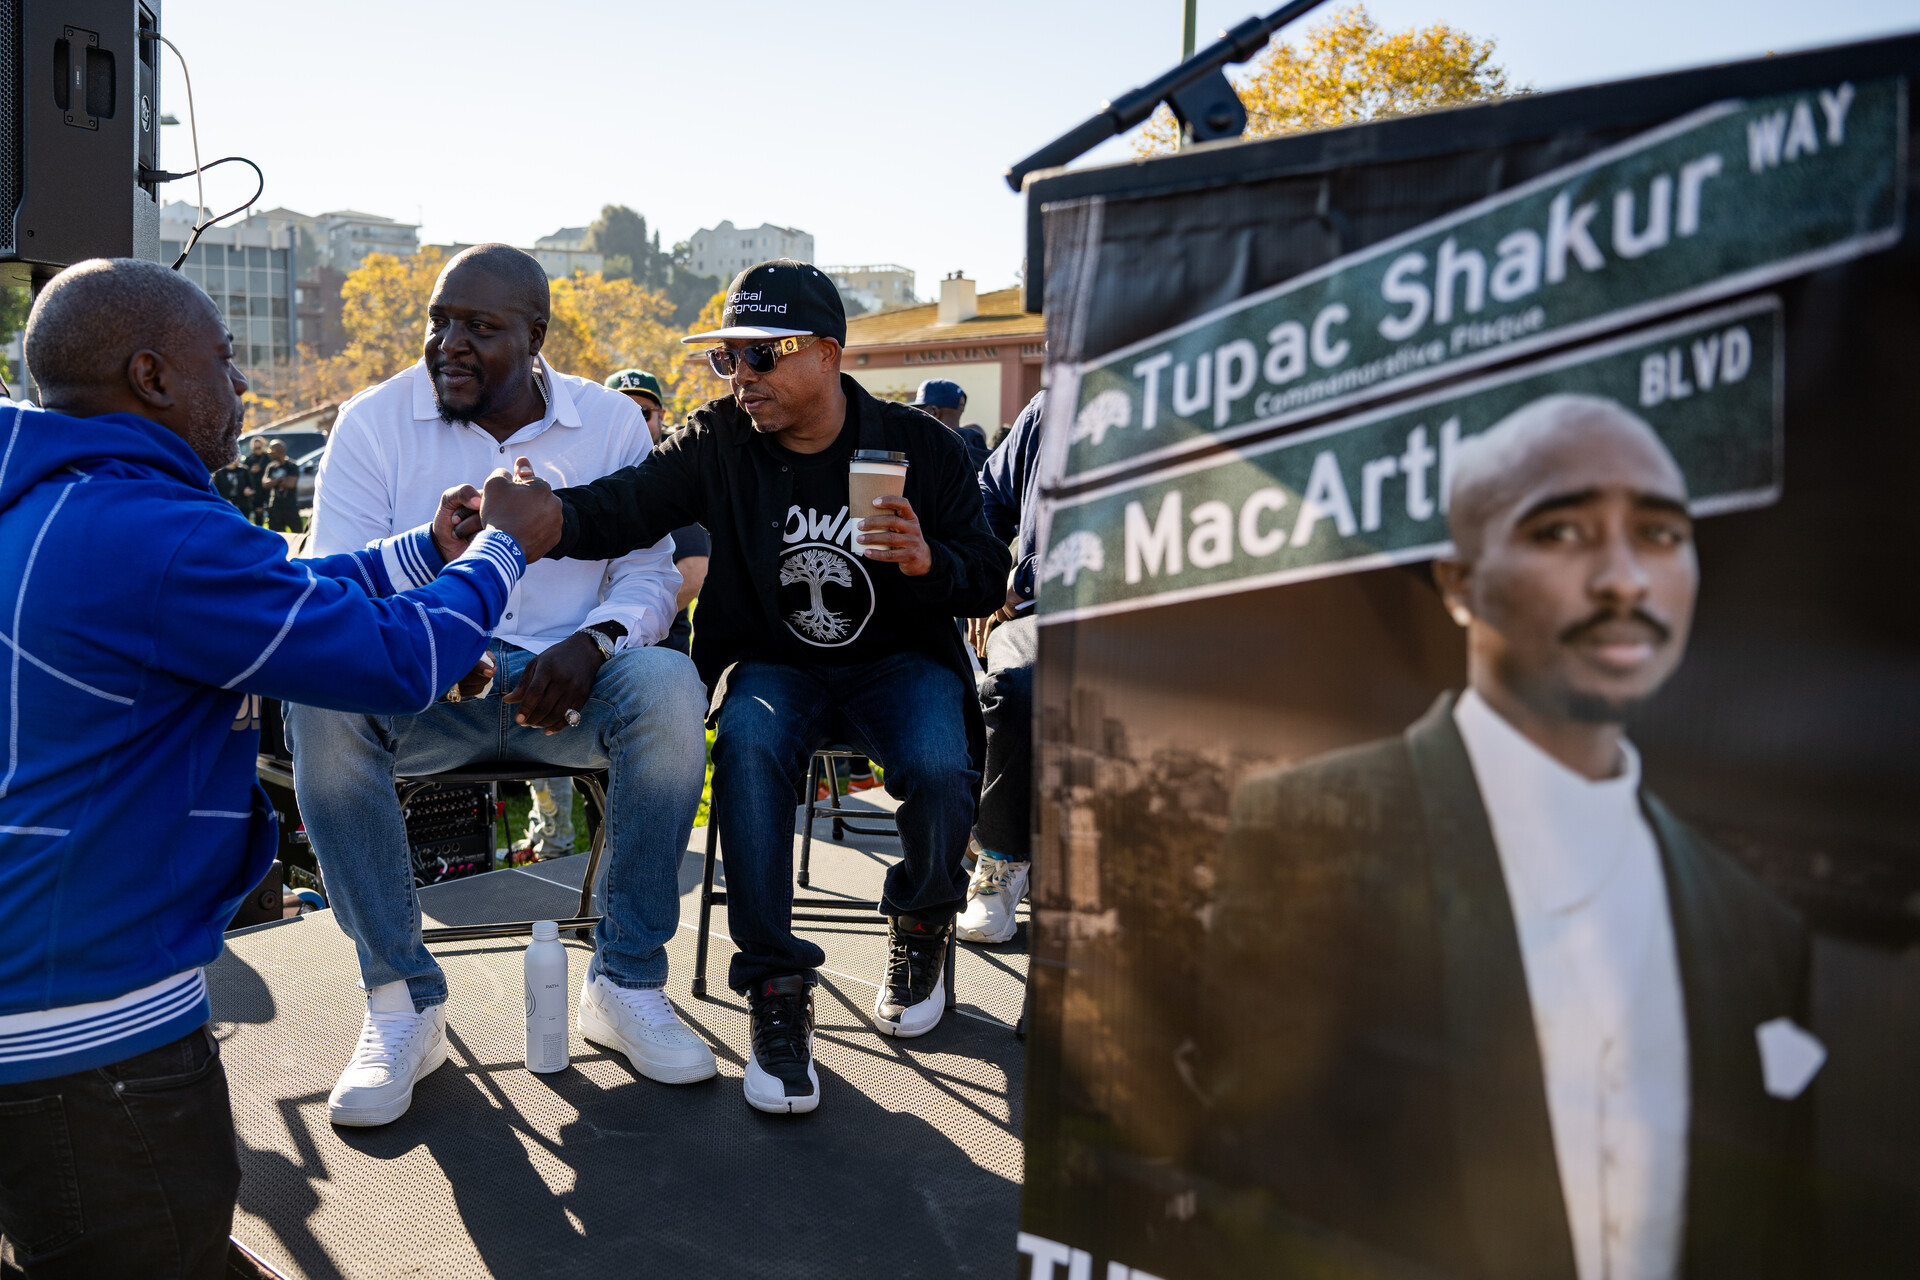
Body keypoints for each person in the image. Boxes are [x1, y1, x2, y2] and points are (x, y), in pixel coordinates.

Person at [0, 258, 557, 1279]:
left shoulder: (63, 504)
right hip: (90, 1039)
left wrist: (424, 552)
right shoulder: (151, 533)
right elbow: (398, 662)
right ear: (154, 375)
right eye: (224, 360)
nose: (245, 387)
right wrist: (503, 554)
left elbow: (272, 589)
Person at [1203, 394, 1814, 1278]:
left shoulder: (1760, 929)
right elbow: (1257, 1191)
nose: (1623, 580)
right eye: (1562, 533)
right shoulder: (1305, 830)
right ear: (1458, 584)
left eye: (1660, 535)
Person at [459, 259, 1010, 1114]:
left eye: (762, 356)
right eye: (728, 359)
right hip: (774, 662)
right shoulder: (718, 441)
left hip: (899, 660)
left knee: (942, 768)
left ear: (827, 353)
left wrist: (927, 560)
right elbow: (627, 504)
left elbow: (987, 576)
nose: (741, 378)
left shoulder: (921, 447)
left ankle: (921, 918)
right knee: (747, 750)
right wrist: (550, 518)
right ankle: (776, 997)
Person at [291, 245, 712, 1128]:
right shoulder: (373, 422)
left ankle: (626, 984)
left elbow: (648, 579)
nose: (449, 343)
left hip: (570, 687)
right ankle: (404, 1002)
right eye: (440, 322)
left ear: (535, 336)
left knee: (670, 684)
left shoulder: (609, 423)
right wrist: (436, 639)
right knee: (321, 699)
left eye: (479, 328)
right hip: (425, 690)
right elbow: (333, 588)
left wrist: (594, 645)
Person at [957, 389, 1044, 944]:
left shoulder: (1203, 385)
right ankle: (1002, 862)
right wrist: (989, 575)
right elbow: (986, 493)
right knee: (1015, 688)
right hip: (1041, 616)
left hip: (1164, 608)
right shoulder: (1051, 404)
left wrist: (1029, 575)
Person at [604, 368, 709, 654]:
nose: (630, 420)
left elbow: (694, 569)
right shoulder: (592, 468)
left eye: (643, 412)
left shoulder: (674, 472)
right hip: (588, 648)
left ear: (661, 416)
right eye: (619, 410)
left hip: (651, 650)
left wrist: (621, 626)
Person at [910, 377, 990, 472]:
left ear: (934, 412)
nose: (916, 417)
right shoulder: (985, 457)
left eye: (920, 410)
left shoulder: (933, 457)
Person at [261, 438, 303, 532]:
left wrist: (273, 481)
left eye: (271, 450)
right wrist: (280, 479)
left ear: (279, 451)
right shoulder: (271, 467)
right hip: (275, 507)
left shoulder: (292, 466)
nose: (269, 453)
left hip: (290, 507)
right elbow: (265, 484)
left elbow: (291, 484)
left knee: (298, 533)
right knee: (277, 535)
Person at [243, 434, 270, 523]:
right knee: (258, 513)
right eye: (255, 448)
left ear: (263, 446)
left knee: (270, 511)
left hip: (266, 488)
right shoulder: (249, 459)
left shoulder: (268, 457)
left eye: (259, 448)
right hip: (255, 489)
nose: (257, 450)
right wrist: (251, 471)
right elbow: (245, 475)